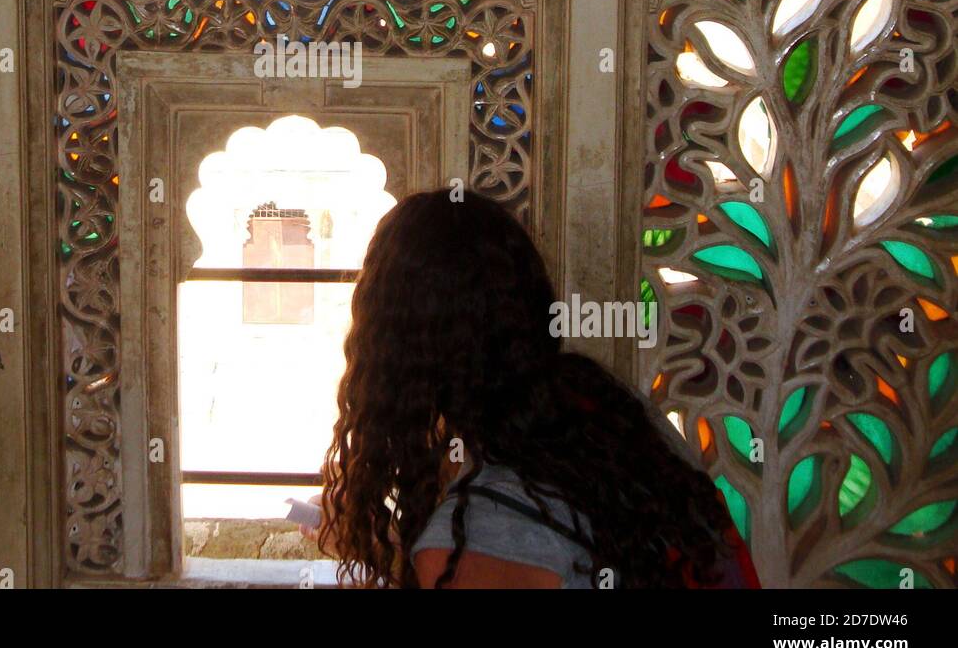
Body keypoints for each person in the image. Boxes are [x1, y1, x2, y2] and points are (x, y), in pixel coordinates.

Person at [311, 188, 759, 589]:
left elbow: (508, 548)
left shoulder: (475, 535)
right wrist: (389, 540)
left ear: (393, 350)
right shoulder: (610, 416)